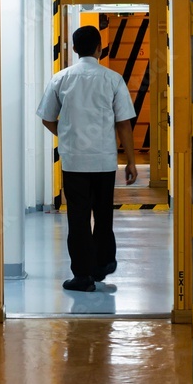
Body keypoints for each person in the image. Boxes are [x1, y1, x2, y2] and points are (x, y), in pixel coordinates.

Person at [36, 25, 138, 292]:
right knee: (103, 214)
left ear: (73, 48)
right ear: (99, 48)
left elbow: (47, 117)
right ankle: (102, 265)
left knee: (78, 219)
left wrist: (67, 135)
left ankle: (82, 276)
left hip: (74, 162)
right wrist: (130, 161)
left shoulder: (61, 78)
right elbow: (124, 123)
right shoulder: (113, 79)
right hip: (103, 161)